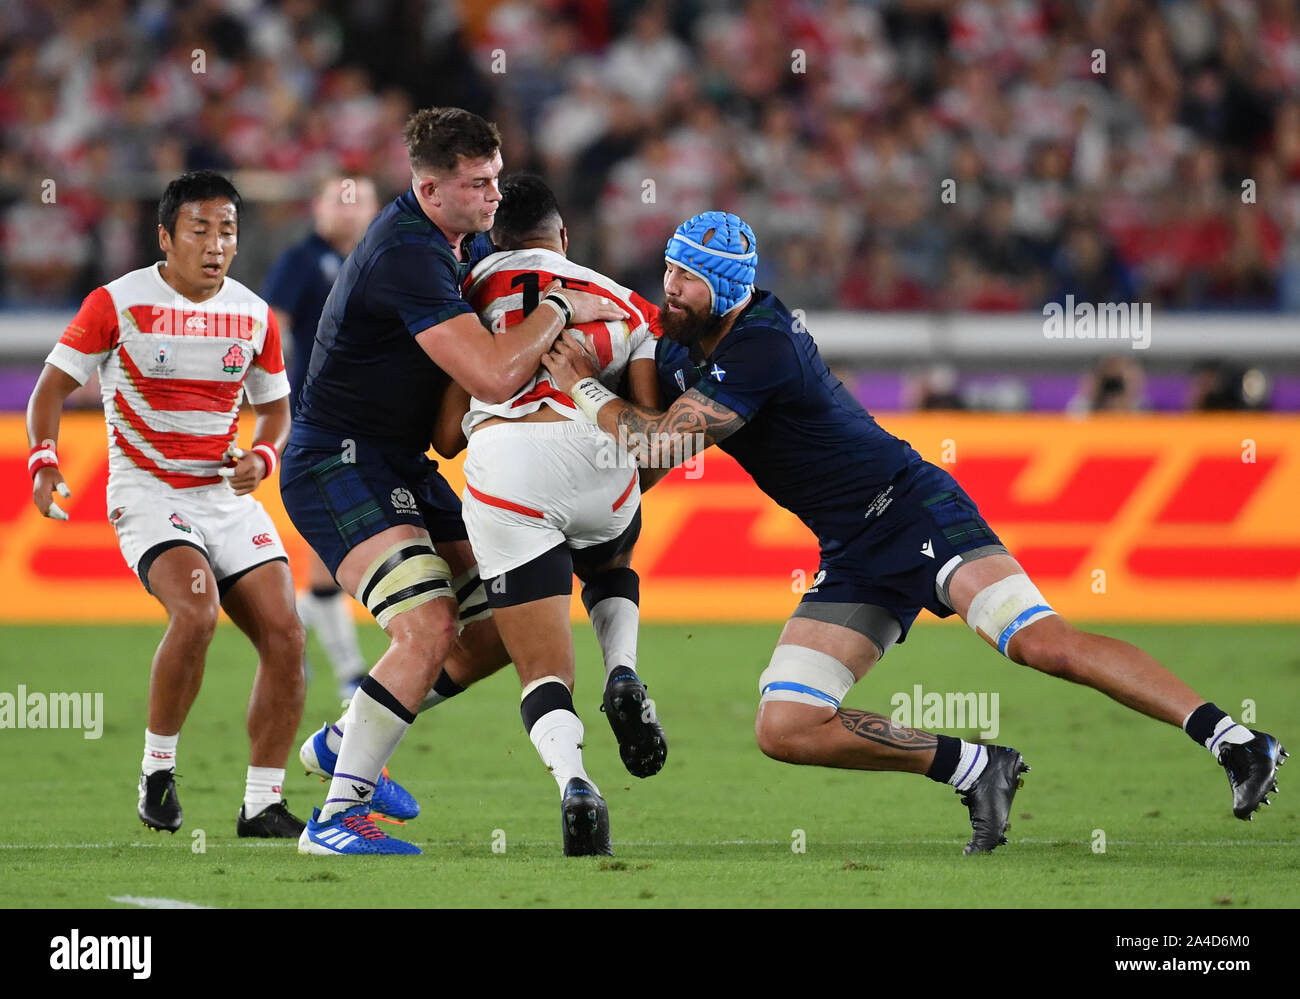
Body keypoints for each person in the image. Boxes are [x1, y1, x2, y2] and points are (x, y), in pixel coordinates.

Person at [542, 210, 1288, 854]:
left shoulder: (761, 342)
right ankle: (974, 768)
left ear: (728, 292)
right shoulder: (680, 341)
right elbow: (643, 442)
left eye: (688, 276)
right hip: (854, 552)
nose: (670, 286)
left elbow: (659, 445)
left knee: (1041, 642)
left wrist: (580, 384)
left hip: (912, 509)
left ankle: (1235, 739)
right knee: (786, 724)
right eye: (670, 267)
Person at [281, 107, 626, 855]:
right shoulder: (408, 252)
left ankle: (348, 739)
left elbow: (446, 428)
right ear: (428, 188)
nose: (494, 197)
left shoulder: (452, 243)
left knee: (507, 616)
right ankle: (337, 819)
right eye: (476, 184)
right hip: (337, 460)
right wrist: (559, 309)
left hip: (400, 464)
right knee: (429, 625)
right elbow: (495, 373)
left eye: (497, 178)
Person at [26, 170, 308, 839]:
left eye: (228, 230)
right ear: (166, 236)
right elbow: (47, 391)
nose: (216, 244)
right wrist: (42, 463)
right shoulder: (115, 303)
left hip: (223, 495)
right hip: (149, 492)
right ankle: (158, 769)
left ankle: (261, 803)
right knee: (198, 608)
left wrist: (262, 457)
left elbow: (275, 409)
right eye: (200, 229)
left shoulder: (253, 313)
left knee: (286, 635)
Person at [455, 173, 667, 856]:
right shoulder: (630, 303)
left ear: (493, 236)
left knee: (542, 669)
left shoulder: (464, 289)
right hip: (598, 450)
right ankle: (625, 669)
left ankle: (577, 784)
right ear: (564, 237)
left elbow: (444, 435)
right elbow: (650, 431)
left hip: (508, 462)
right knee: (611, 551)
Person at [264, 174, 380, 702]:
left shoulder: (382, 261)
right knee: (331, 546)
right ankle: (351, 670)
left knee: (332, 550)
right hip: (316, 418)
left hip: (370, 422)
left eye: (360, 201)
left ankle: (290, 635)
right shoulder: (303, 260)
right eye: (340, 198)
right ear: (318, 208)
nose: (350, 211)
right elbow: (271, 327)